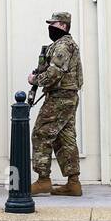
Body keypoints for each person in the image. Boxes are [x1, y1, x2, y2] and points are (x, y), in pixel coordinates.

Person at [28, 11, 83, 196]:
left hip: (60, 97)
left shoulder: (63, 46)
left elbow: (54, 73)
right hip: (68, 96)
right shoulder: (62, 45)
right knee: (65, 139)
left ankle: (43, 179)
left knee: (41, 133)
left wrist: (35, 79)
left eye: (54, 24)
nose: (50, 27)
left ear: (63, 26)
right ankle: (73, 183)